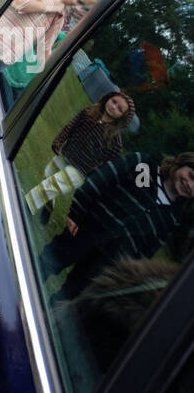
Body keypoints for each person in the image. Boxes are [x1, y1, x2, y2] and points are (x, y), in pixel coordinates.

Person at [40, 151, 194, 303]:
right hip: (84, 230)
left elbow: (147, 252)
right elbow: (101, 179)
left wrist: (123, 270)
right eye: (191, 175)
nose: (190, 185)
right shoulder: (144, 167)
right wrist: (77, 212)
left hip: (105, 264)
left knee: (68, 296)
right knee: (46, 264)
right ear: (181, 162)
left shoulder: (173, 218)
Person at [25, 91, 136, 223]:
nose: (114, 107)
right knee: (48, 175)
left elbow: (107, 164)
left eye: (119, 109)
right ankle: (48, 208)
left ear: (122, 117)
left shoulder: (115, 141)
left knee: (53, 184)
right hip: (67, 154)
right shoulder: (89, 112)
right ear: (108, 98)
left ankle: (26, 205)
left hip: (81, 171)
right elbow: (71, 125)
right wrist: (59, 141)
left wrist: (94, 178)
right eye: (114, 101)